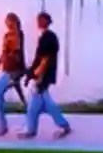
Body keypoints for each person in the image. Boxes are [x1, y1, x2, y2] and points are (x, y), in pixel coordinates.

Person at [20, 11, 72, 139]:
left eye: (41, 20)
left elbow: (45, 59)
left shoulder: (48, 38)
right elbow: (39, 58)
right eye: (38, 19)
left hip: (44, 75)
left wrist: (39, 76)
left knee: (41, 104)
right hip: (42, 75)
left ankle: (32, 130)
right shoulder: (46, 37)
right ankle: (62, 125)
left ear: (46, 21)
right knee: (39, 104)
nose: (38, 22)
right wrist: (31, 73)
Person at [0, 12, 27, 136]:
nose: (8, 24)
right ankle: (2, 125)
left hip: (14, 70)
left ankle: (3, 126)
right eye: (7, 22)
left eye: (11, 22)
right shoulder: (7, 36)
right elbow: (5, 53)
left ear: (15, 22)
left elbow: (16, 53)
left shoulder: (18, 35)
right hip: (7, 69)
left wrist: (9, 58)